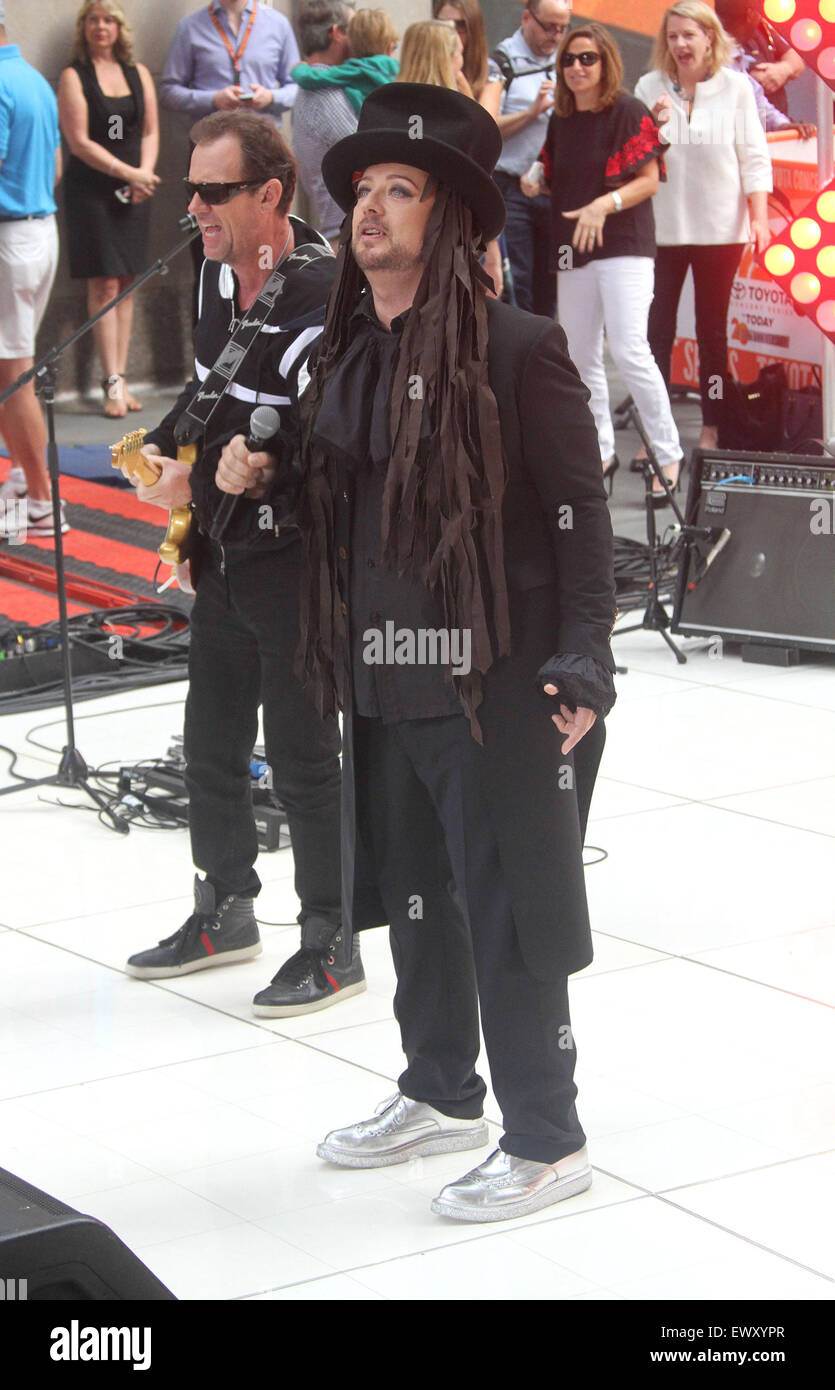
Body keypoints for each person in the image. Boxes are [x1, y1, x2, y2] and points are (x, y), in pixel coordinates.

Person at [282, 83, 615, 1221]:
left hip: (495, 685)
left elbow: (581, 515)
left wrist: (583, 659)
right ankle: (438, 1089)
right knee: (417, 899)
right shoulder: (349, 357)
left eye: (398, 189)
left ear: (453, 217)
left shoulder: (521, 349)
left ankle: (546, 1136)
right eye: (362, 188)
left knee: (509, 905)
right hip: (385, 677)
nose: (368, 207)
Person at [123, 112, 365, 1018]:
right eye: (191, 189)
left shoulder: (324, 294)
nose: (193, 208)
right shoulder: (215, 274)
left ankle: (332, 937)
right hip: (223, 544)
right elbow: (209, 388)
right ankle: (224, 909)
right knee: (212, 743)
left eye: (213, 193)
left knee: (305, 757)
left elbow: (336, 447)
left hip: (295, 555)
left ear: (270, 194)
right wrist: (172, 461)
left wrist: (259, 468)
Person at [523, 23, 682, 501]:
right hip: (573, 249)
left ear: (605, 62)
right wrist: (534, 178)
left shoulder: (628, 110)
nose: (576, 67)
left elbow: (649, 180)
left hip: (625, 246)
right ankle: (600, 451)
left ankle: (668, 451)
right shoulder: (562, 119)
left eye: (587, 58)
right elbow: (554, 174)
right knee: (579, 356)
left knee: (630, 349)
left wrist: (602, 206)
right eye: (569, 59)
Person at [636, 2, 772, 457]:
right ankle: (656, 432)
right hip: (663, 228)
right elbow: (634, 160)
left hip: (721, 231)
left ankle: (713, 426)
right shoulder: (649, 86)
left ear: (710, 37)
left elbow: (754, 156)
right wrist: (652, 130)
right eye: (672, 36)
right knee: (656, 331)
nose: (680, 45)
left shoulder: (736, 87)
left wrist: (759, 218)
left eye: (689, 35)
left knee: (713, 335)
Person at [58, 1, 158, 420]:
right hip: (91, 192)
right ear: (85, 27)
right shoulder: (73, 76)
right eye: (94, 19)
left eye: (109, 20)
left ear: (120, 27)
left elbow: (149, 129)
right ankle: (111, 381)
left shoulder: (138, 73)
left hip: (135, 190)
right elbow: (78, 141)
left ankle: (122, 376)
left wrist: (145, 174)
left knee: (127, 281)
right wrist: (128, 172)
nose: (102, 27)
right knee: (102, 284)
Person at [0, 1, 66, 541]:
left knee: (11, 373)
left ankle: (43, 504)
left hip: (11, 238)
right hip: (38, 230)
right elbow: (56, 163)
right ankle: (23, 478)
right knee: (7, 368)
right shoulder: (33, 80)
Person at [398, 19, 503, 297]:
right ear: (445, 58)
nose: (461, 61)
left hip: (397, 242)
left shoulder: (388, 108)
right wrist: (491, 252)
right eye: (458, 53)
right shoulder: (458, 120)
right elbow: (479, 189)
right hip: (448, 244)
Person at [291, 4, 398, 247]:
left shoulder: (317, 85)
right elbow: (367, 153)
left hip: (347, 229)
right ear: (337, 33)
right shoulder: (325, 93)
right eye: (355, 29)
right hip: (349, 234)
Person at [493, 1, 572, 318]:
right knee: (518, 287)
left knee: (554, 285)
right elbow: (486, 127)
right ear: (527, 18)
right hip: (512, 189)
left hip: (554, 191)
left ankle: (546, 361)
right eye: (548, 27)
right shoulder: (502, 61)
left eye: (562, 28)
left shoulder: (570, 60)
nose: (555, 36)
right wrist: (531, 113)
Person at [159, 0, 299, 120]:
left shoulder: (278, 25)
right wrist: (212, 100)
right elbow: (168, 93)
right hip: (211, 141)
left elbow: (297, 87)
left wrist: (271, 97)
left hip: (264, 141)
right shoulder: (189, 28)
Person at [716, 0, 814, 137]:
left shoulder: (762, 30)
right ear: (751, 14)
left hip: (770, 135)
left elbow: (756, 98)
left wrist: (783, 70)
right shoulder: (712, 53)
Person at [433, 0, 503, 118]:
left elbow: (485, 129)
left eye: (460, 25)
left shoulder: (489, 71)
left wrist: (458, 77)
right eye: (444, 25)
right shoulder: (425, 64)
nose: (453, 32)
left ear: (472, 28)